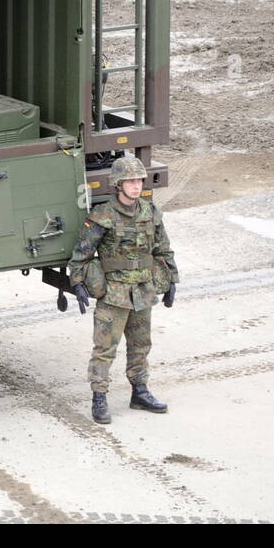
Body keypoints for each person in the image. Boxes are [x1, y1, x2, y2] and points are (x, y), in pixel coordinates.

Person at [67, 155, 179, 424]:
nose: (136, 186)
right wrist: (78, 284)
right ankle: (99, 398)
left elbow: (163, 249)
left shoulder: (150, 212)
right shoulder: (102, 215)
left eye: (138, 180)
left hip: (143, 291)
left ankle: (139, 392)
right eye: (130, 181)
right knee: (105, 348)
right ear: (118, 184)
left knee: (141, 346)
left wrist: (172, 280)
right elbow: (82, 254)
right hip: (113, 294)